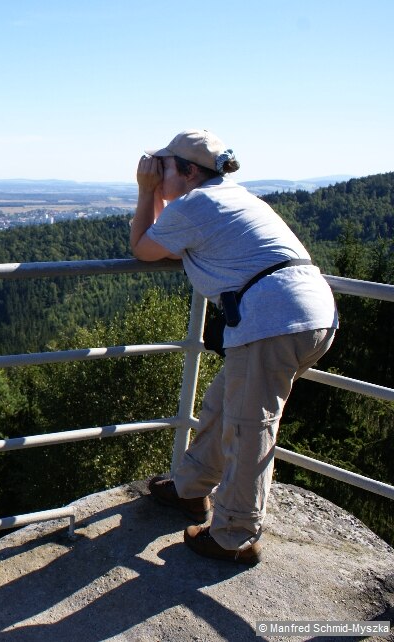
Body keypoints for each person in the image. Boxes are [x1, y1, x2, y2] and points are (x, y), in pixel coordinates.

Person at [130, 129, 338, 564]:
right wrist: (161, 187)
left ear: (188, 171)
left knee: (248, 430)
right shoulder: (233, 197)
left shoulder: (197, 204)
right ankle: (191, 489)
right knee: (224, 404)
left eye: (163, 164)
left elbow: (142, 248)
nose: (155, 169)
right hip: (307, 315)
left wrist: (145, 191)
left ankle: (234, 535)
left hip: (273, 321)